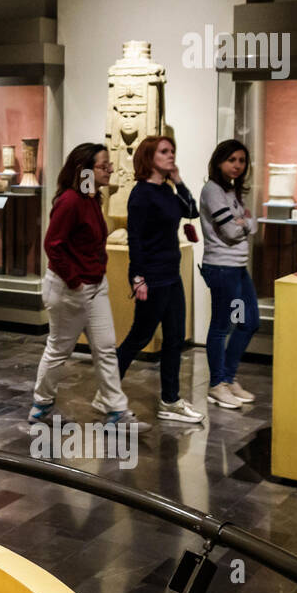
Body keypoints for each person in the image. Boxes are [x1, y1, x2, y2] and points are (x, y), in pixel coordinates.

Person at [30, 143, 147, 429]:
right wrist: (75, 281)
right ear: (85, 170)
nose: (109, 169)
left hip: (94, 286)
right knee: (59, 349)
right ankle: (41, 404)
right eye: (103, 165)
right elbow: (53, 245)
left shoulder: (93, 199)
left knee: (106, 348)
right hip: (69, 288)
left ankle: (116, 411)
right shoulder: (70, 201)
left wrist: (93, 277)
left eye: (108, 164)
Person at [116, 135, 204, 423]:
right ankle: (108, 391)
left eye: (172, 151)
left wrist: (179, 180)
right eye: (164, 152)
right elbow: (136, 239)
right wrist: (137, 277)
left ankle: (170, 400)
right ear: (149, 158)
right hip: (152, 276)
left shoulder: (168, 190)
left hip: (171, 274)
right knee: (139, 337)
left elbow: (192, 211)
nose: (171, 156)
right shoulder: (141, 194)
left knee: (175, 338)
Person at [199, 139, 259, 408]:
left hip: (237, 267)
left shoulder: (234, 191)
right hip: (222, 268)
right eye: (231, 160)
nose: (237, 165)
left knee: (249, 322)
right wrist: (245, 223)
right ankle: (216, 384)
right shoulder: (212, 190)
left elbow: (248, 224)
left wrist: (244, 222)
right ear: (219, 162)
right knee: (222, 326)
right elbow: (233, 231)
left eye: (241, 161)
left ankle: (228, 377)